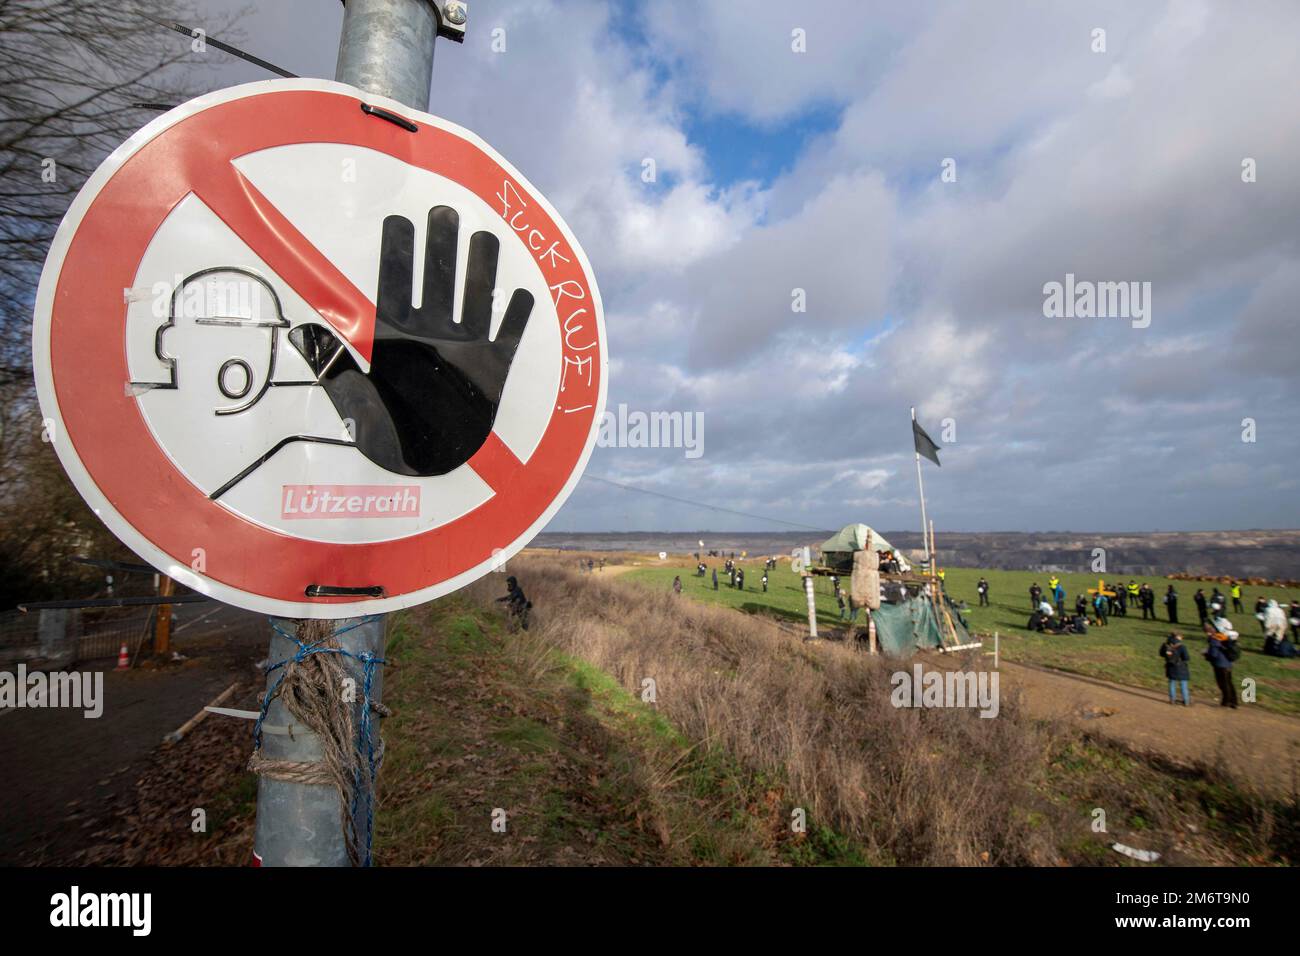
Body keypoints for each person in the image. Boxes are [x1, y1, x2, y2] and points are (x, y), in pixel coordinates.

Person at [1203, 623, 1238, 708]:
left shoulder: (1213, 639)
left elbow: (1213, 654)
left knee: (1222, 683)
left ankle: (1226, 701)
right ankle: (1234, 701)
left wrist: (1206, 654)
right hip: (1228, 663)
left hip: (1220, 664)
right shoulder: (1221, 637)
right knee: (1229, 682)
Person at [1160, 633, 1191, 706]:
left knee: (1172, 683)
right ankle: (1186, 701)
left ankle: (1172, 700)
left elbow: (1161, 654)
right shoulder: (1182, 646)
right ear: (1177, 638)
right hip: (1181, 667)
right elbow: (1187, 658)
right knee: (1183, 684)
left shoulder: (1166, 646)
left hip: (1170, 667)